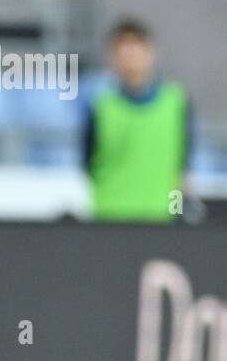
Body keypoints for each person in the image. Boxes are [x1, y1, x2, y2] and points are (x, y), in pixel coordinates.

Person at [83, 17, 194, 223]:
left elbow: (182, 167)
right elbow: (89, 163)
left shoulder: (177, 102)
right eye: (123, 53)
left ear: (151, 53)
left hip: (162, 219)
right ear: (113, 58)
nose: (131, 60)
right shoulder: (101, 106)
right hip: (110, 218)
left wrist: (177, 213)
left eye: (136, 51)